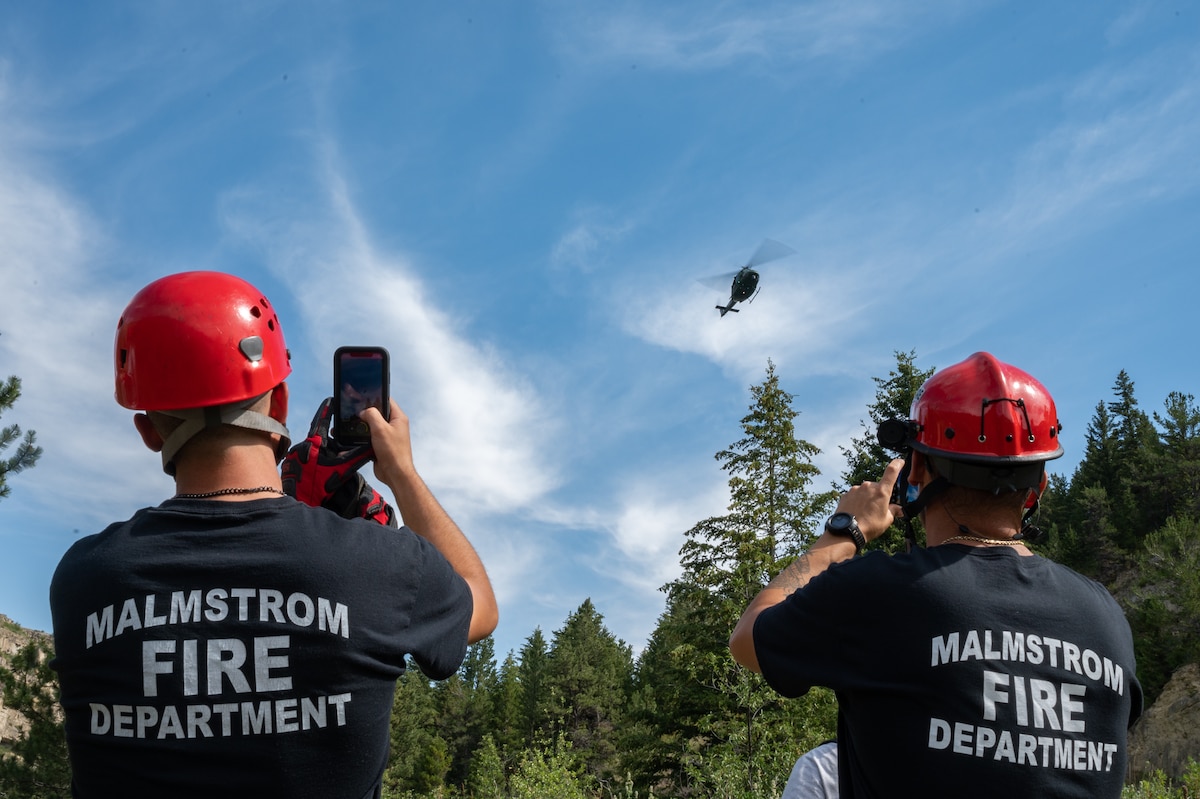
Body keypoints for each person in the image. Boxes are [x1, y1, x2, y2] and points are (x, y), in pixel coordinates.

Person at [50, 271, 498, 798]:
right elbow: (479, 605)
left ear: (148, 432)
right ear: (279, 404)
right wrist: (399, 472)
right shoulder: (376, 565)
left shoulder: (83, 579)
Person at [729, 352, 1142, 798]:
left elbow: (749, 638)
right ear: (1036, 488)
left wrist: (844, 532)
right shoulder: (1106, 618)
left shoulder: (882, 594)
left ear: (917, 470)